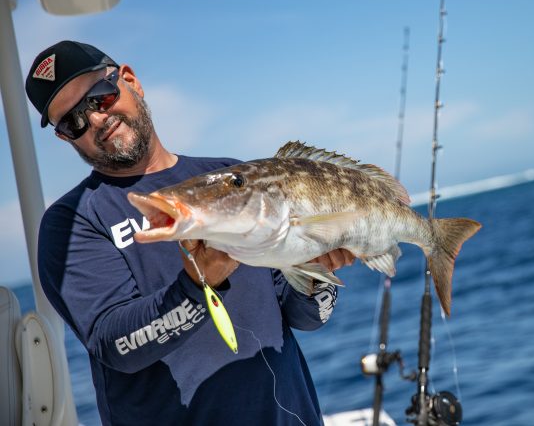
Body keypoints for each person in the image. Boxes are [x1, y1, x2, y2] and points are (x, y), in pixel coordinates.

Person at [24, 40, 354, 426]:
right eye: (73, 120)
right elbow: (115, 344)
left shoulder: (234, 176)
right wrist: (198, 286)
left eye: (101, 96)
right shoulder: (72, 221)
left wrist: (319, 276)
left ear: (130, 80)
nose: (96, 119)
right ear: (65, 136)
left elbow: (305, 317)